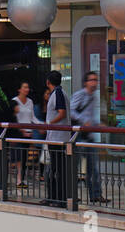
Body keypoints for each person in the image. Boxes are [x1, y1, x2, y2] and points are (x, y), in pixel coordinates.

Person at [70, 71, 106, 204]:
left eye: (96, 80)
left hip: (89, 136)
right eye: (91, 80)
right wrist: (83, 121)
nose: (94, 83)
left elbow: (91, 116)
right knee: (75, 167)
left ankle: (96, 194)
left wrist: (97, 124)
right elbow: (71, 110)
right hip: (79, 135)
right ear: (86, 82)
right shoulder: (80, 95)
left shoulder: (94, 97)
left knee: (93, 168)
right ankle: (72, 194)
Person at [41, 72, 68, 207]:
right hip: (56, 137)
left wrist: (49, 123)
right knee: (55, 168)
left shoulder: (57, 94)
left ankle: (60, 198)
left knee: (58, 169)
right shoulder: (58, 93)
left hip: (58, 138)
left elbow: (62, 113)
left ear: (48, 82)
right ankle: (54, 197)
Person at [11, 81, 36, 189]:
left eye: (28, 87)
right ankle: (19, 179)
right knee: (19, 156)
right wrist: (21, 130)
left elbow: (33, 117)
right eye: (24, 87)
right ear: (19, 89)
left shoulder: (30, 101)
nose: (27, 89)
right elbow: (13, 118)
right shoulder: (14, 101)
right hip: (18, 132)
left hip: (28, 133)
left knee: (24, 156)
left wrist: (43, 125)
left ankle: (22, 178)